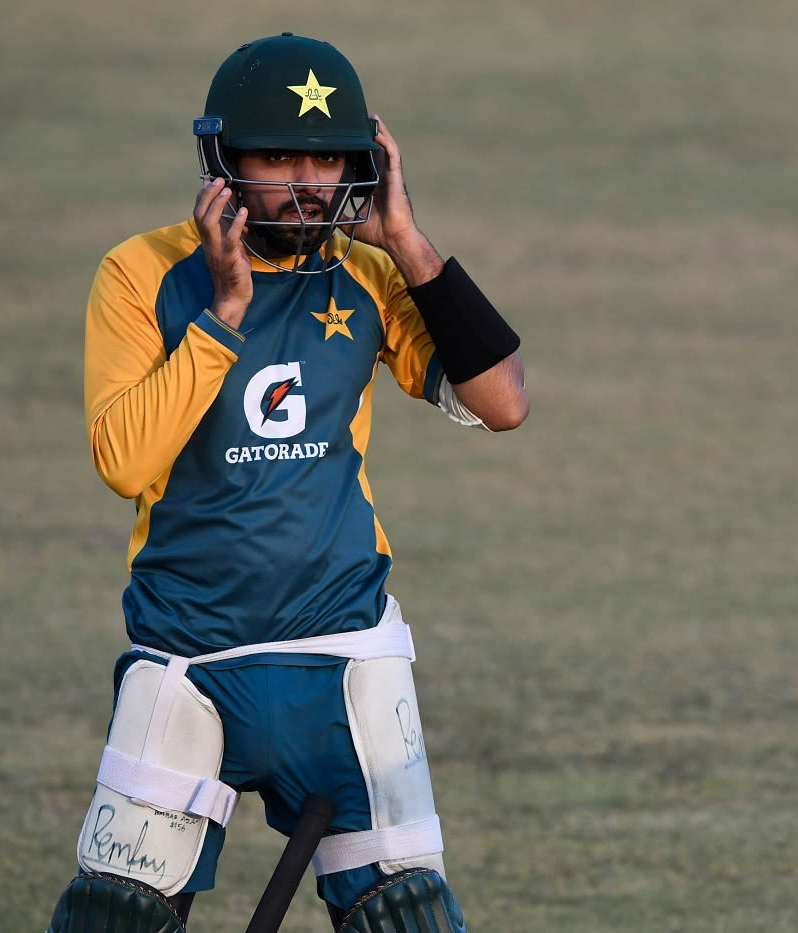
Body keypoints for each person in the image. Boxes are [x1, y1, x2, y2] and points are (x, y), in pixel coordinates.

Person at [48, 32, 527, 932]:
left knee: (411, 916)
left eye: (327, 156)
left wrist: (411, 242)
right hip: (188, 657)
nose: (307, 180)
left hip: (345, 660)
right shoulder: (139, 273)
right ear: (224, 161)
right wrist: (223, 316)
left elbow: (502, 401)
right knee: (110, 916)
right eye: (279, 155)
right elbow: (123, 461)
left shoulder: (372, 276)